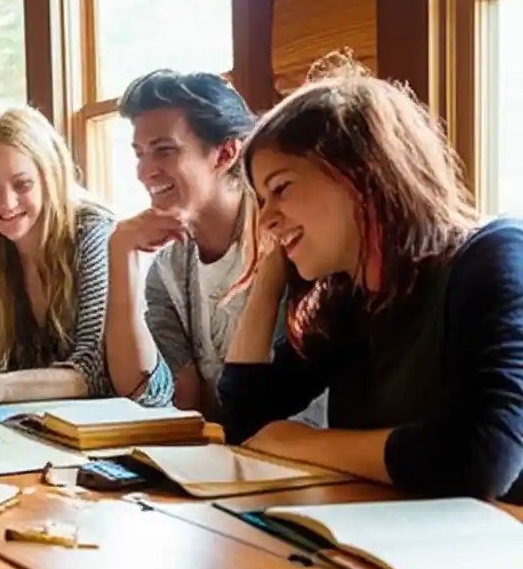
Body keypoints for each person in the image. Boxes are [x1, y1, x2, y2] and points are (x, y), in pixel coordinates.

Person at [220, 56, 523, 503]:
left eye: (280, 188)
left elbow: (479, 459)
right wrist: (269, 278)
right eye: (261, 200)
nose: (264, 218)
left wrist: (299, 442)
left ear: (360, 174)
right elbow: (246, 422)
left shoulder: (495, 256)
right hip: (394, 546)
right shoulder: (349, 298)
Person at [0, 107, 172, 406]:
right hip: (46, 428)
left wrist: (1, 386)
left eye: (22, 184)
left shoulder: (94, 233)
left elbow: (95, 371)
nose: (6, 203)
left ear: (49, 177)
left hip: (130, 423)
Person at [114, 70, 266, 418]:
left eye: (163, 151)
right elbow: (156, 398)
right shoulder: (169, 267)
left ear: (225, 153)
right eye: (139, 154)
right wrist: (120, 255)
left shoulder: (281, 244)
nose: (145, 171)